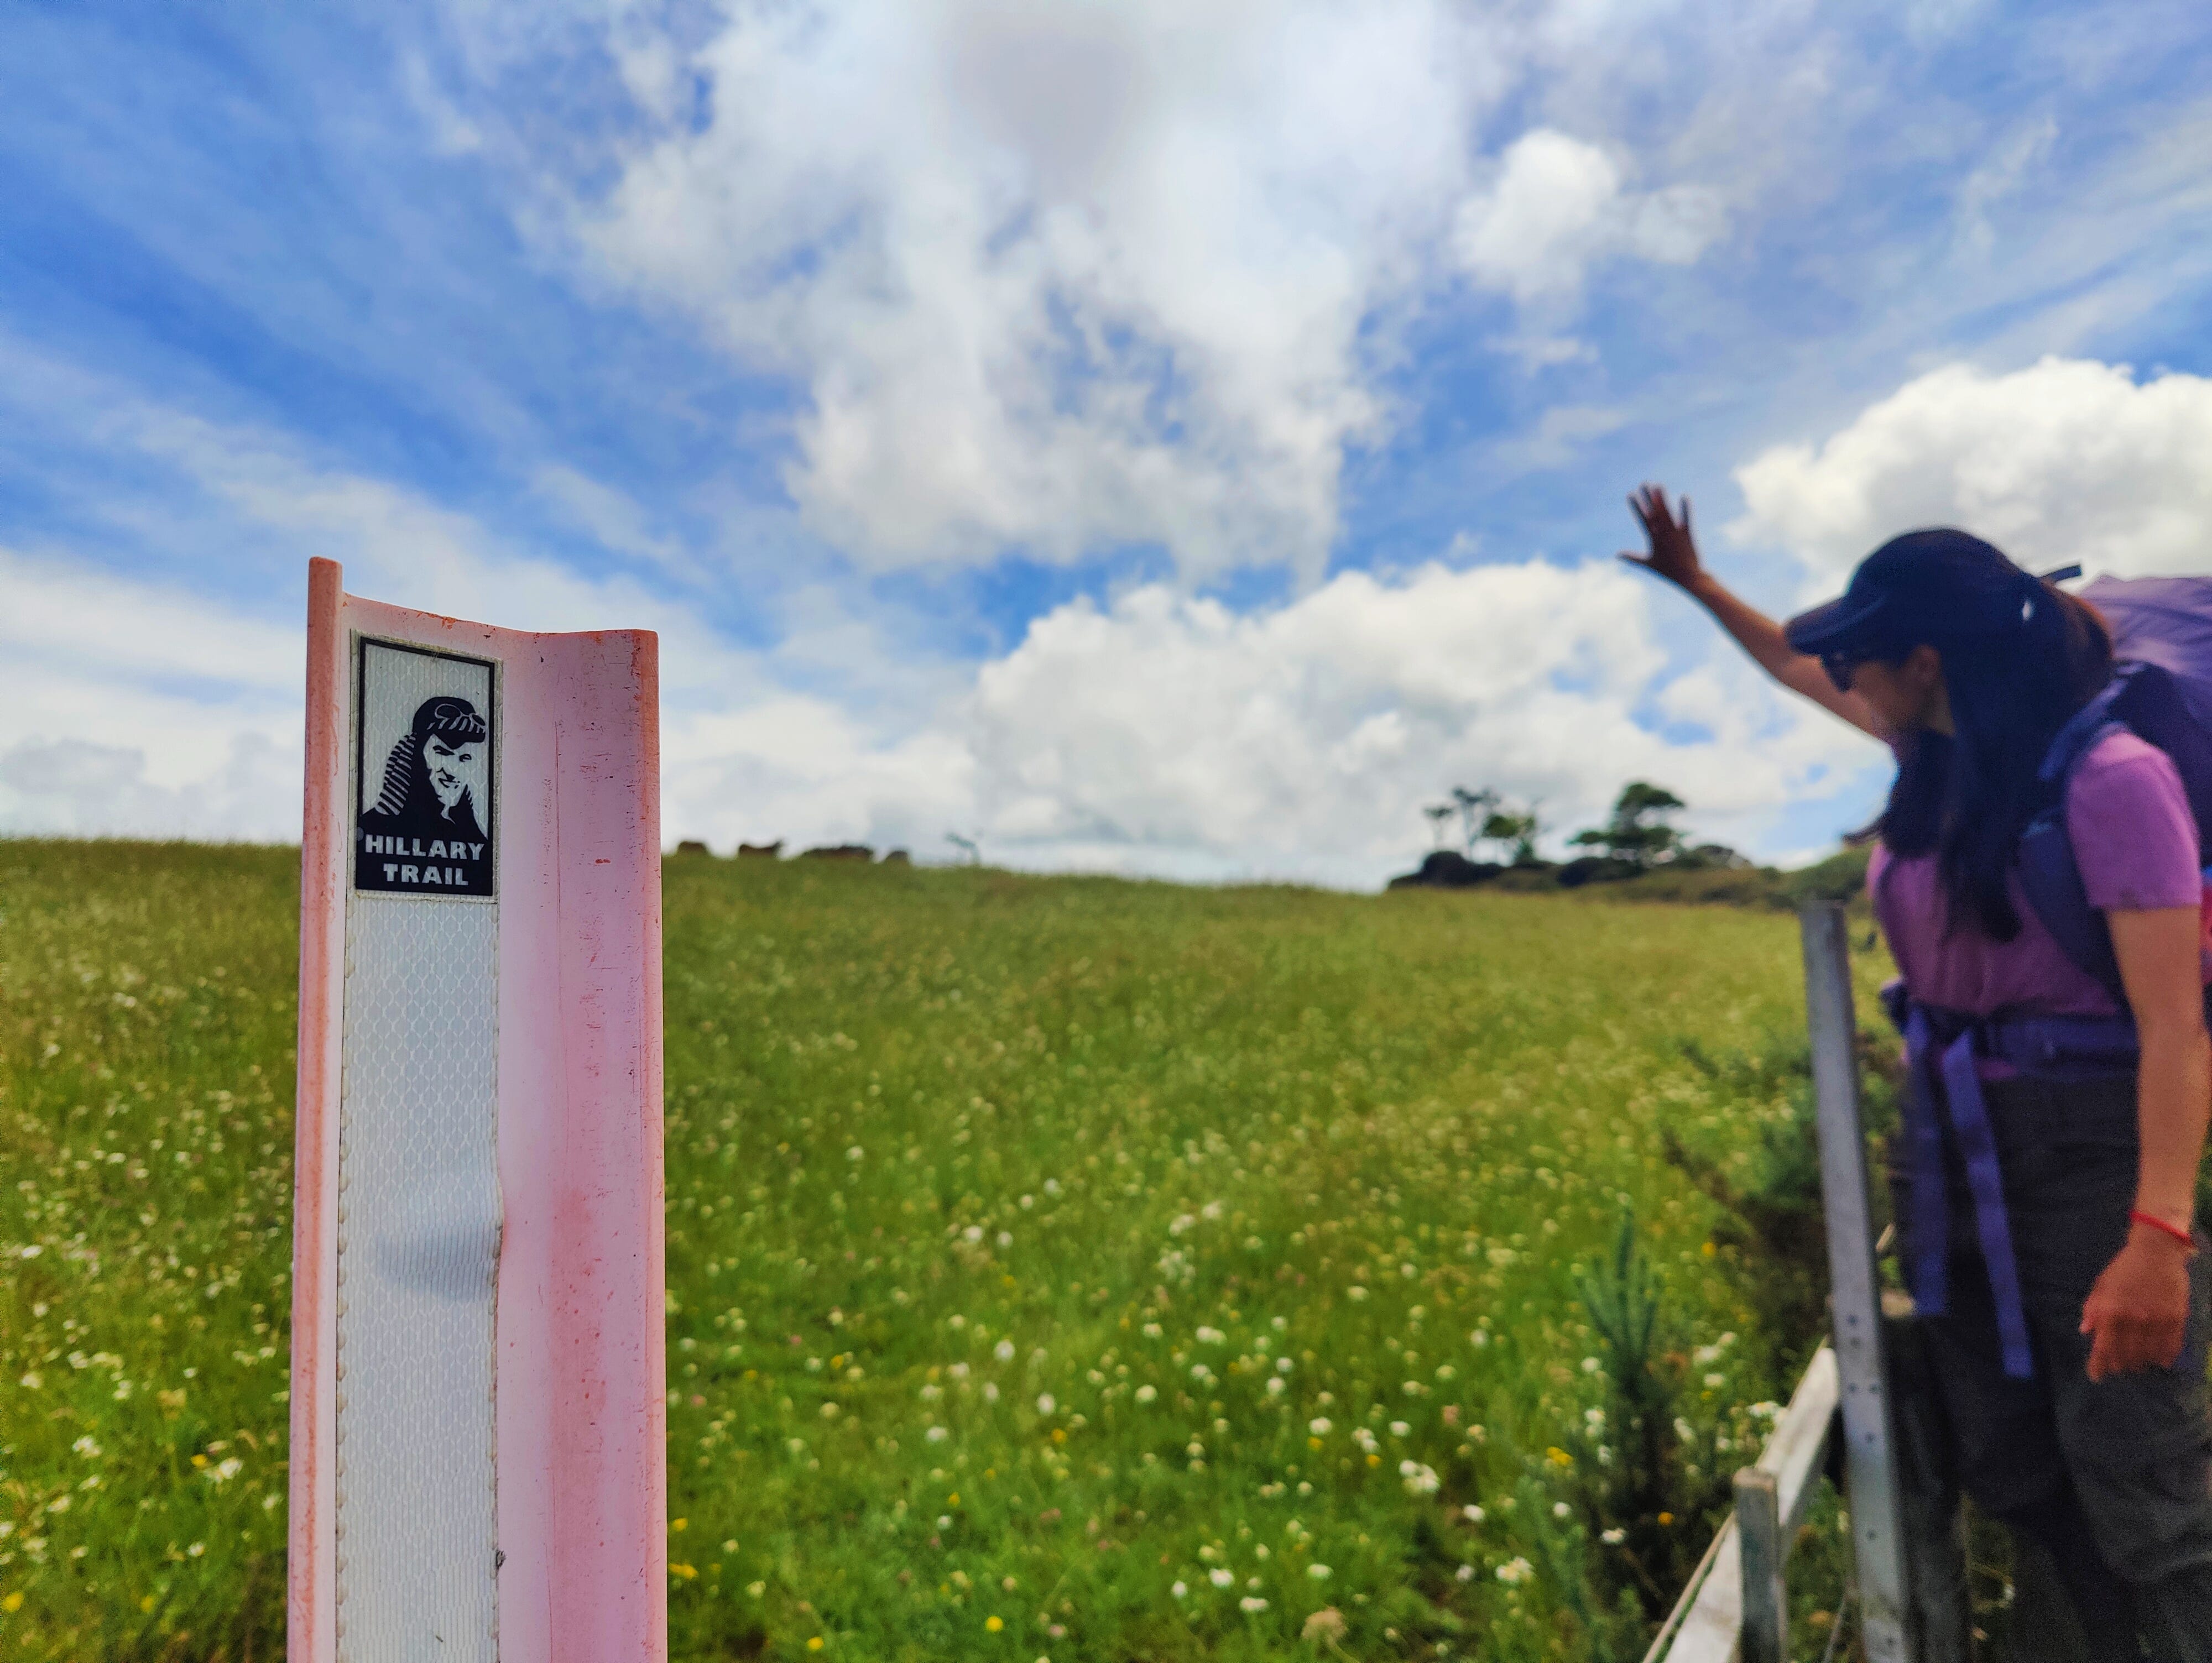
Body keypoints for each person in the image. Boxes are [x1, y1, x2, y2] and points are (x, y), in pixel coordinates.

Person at [1623, 484, 2212, 1655]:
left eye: (1861, 656)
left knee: (2141, 1477)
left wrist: (2154, 1237)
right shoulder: (1930, 756)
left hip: (2089, 1150)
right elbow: (1793, 665)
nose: (1840, 676)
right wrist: (1697, 587)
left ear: (1926, 661)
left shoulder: (2112, 780)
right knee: (2004, 1453)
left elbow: (2173, 1027)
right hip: (1945, 1150)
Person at [360, 695, 489, 846]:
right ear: (414, 756)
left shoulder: (473, 840)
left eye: (465, 759)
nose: (452, 772)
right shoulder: (371, 831)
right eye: (442, 753)